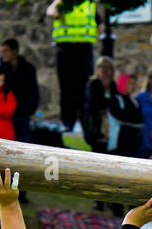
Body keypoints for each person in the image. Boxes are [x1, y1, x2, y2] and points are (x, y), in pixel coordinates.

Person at [46, 0, 98, 132]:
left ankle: (84, 124)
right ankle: (68, 123)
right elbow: (51, 13)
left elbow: (99, 24)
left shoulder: (89, 4)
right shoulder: (63, 4)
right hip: (66, 50)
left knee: (85, 89)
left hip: (84, 50)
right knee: (67, 89)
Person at [0, 38, 38, 143]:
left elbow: (34, 91)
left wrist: (29, 110)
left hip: (23, 115)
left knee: (25, 146)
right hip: (6, 117)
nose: (3, 54)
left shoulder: (28, 69)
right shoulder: (0, 70)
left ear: (14, 51)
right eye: (2, 51)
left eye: (6, 50)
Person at [80, 54, 115, 154]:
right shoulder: (93, 84)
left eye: (108, 67)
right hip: (96, 126)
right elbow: (95, 104)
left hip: (111, 127)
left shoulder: (113, 85)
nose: (105, 70)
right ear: (97, 69)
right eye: (102, 67)